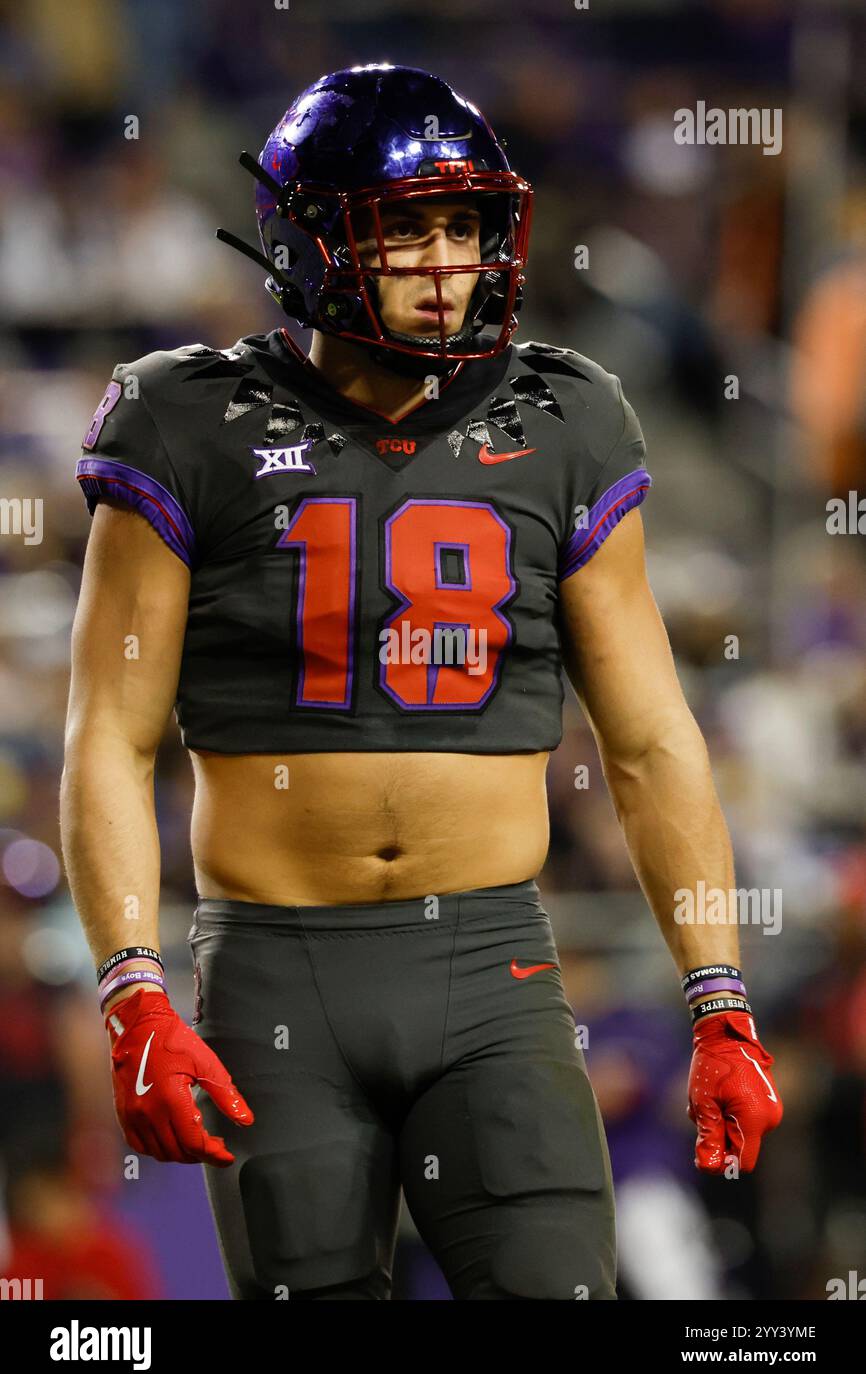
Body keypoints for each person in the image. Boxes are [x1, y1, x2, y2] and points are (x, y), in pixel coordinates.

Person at [60, 62, 782, 1301]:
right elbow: (109, 738)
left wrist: (719, 996)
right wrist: (131, 985)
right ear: (312, 236)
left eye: (463, 225)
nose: (447, 260)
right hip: (275, 968)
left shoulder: (563, 418)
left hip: (492, 968)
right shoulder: (185, 419)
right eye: (406, 227)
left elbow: (652, 738)